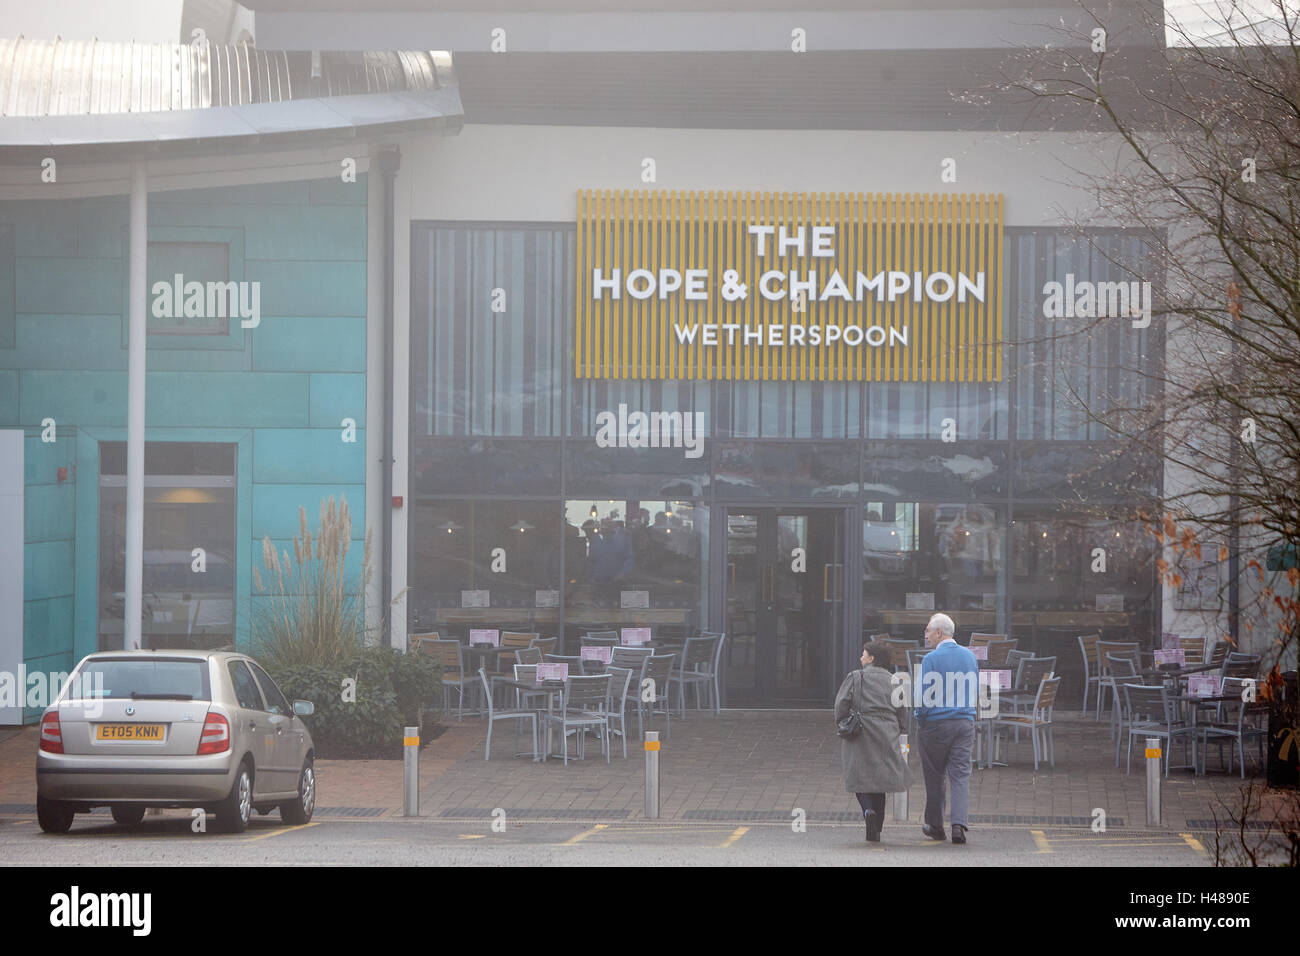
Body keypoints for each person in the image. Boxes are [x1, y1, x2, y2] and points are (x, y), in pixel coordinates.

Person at [834, 640, 908, 842]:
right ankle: (877, 828)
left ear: (871, 658)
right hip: (887, 731)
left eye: (863, 654)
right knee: (880, 779)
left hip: (860, 730)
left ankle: (868, 811)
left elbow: (841, 703)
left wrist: (842, 721)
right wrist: (900, 729)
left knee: (860, 776)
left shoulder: (856, 677)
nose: (861, 658)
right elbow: (902, 710)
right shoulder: (895, 680)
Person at [916, 612, 978, 844]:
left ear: (939, 632)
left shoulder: (931, 659)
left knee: (934, 775)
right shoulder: (970, 657)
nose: (926, 635)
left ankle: (935, 825)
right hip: (964, 723)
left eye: (928, 630)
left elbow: (922, 697)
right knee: (961, 775)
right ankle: (959, 826)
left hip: (935, 724)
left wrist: (920, 719)